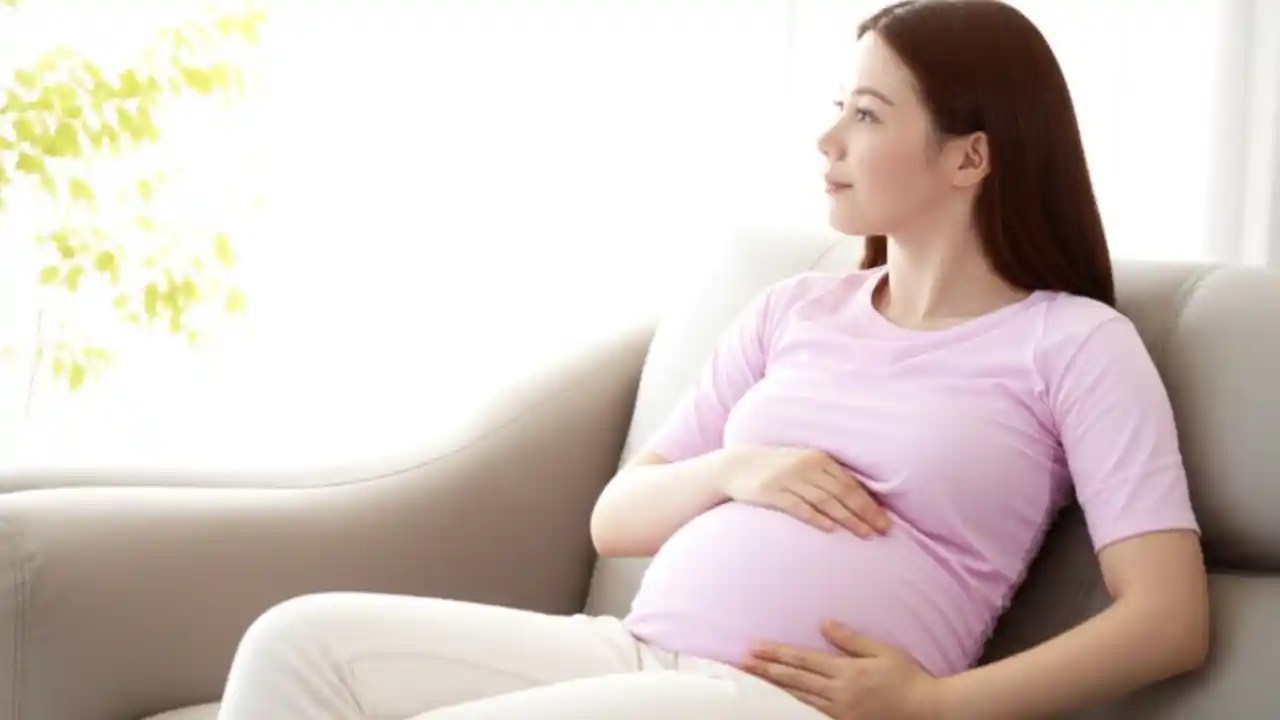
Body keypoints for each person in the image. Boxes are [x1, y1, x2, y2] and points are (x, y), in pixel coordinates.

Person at [217, 1, 1210, 718]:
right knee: (295, 644)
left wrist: (935, 705)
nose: (827, 140)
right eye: (838, 108)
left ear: (968, 157)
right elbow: (616, 518)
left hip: (775, 702)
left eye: (867, 115)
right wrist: (741, 468)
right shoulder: (792, 309)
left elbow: (1168, 617)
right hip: (634, 657)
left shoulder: (1073, 345)